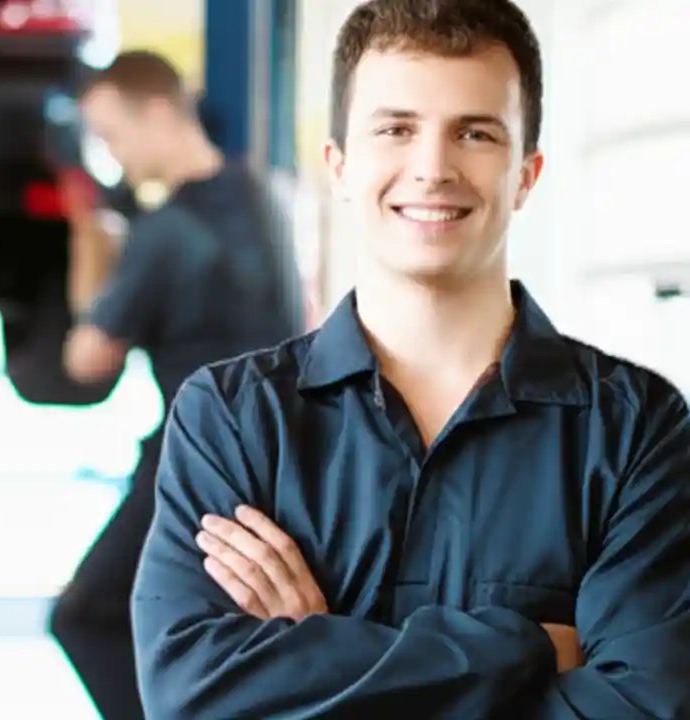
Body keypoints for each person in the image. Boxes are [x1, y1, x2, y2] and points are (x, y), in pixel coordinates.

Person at [131, 0, 690, 717]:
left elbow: (644, 706)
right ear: (338, 165)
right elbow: (192, 693)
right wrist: (526, 650)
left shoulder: (634, 429)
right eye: (396, 129)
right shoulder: (236, 418)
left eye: (476, 133)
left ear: (526, 174)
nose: (432, 168)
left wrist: (321, 652)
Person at [48, 51, 307, 720]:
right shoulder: (261, 199)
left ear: (158, 111)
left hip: (191, 466)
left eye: (112, 136)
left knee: (85, 618)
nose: (113, 156)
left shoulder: (167, 234)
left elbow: (87, 362)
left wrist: (88, 235)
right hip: (279, 464)